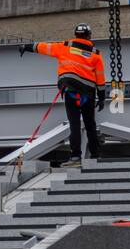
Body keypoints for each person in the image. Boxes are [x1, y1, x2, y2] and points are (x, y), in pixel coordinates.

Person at [18, 23, 107, 167]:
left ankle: (75, 158)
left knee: (75, 124)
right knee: (90, 125)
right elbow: (100, 77)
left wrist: (27, 47)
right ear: (89, 36)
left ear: (75, 35)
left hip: (71, 91)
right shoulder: (96, 54)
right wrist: (102, 97)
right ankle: (96, 156)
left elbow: (45, 48)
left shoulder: (64, 47)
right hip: (88, 95)